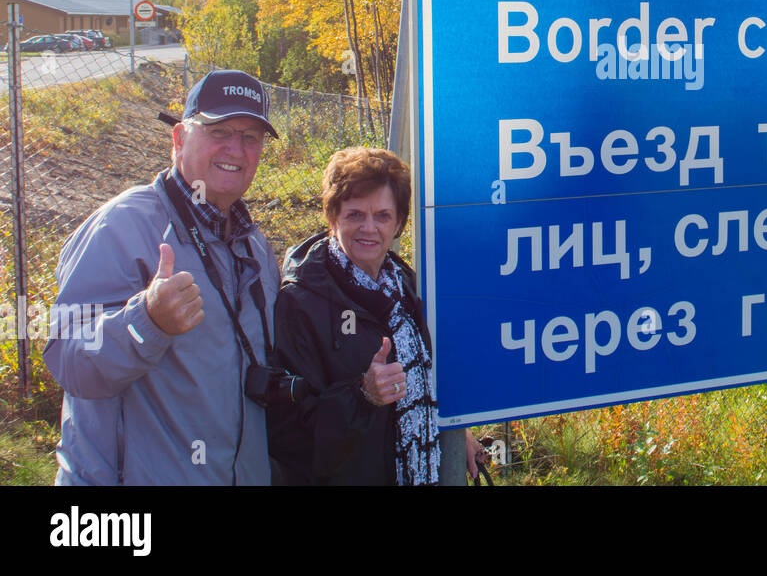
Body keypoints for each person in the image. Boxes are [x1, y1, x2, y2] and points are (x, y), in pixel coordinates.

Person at [45, 69, 284, 485]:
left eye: (251, 137)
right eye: (219, 130)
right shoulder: (123, 226)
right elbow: (68, 360)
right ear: (178, 139)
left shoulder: (255, 248)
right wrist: (146, 323)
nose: (236, 148)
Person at [269, 146, 483, 485]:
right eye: (355, 214)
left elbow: (425, 381)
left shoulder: (407, 285)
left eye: (382, 216)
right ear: (333, 217)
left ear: (398, 222)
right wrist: (362, 396)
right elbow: (288, 433)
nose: (369, 228)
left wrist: (453, 433)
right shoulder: (299, 302)